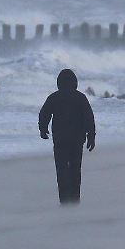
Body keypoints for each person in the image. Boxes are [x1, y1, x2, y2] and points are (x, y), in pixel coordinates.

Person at [38, 69, 96, 204]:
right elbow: (89, 118)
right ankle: (75, 199)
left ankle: (64, 200)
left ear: (59, 83)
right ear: (75, 83)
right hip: (77, 140)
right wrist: (91, 136)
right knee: (75, 170)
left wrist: (43, 129)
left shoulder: (54, 97)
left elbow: (44, 114)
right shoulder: (80, 97)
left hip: (60, 139)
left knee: (61, 170)